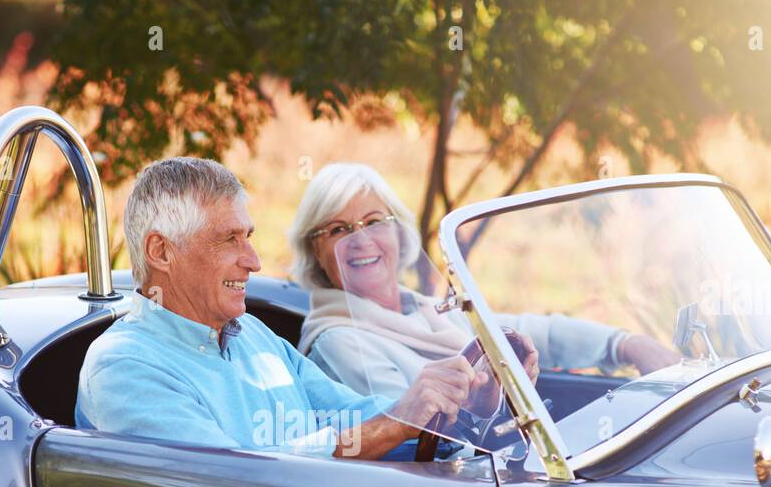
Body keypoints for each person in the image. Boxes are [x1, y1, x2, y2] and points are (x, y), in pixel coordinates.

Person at [75, 157, 488, 460]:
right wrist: (395, 424)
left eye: (248, 236)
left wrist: (450, 403)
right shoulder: (123, 368)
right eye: (228, 239)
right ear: (161, 251)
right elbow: (234, 484)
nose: (253, 261)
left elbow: (347, 414)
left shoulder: (253, 335)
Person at [288, 163, 678, 399]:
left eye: (374, 222)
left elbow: (527, 331)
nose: (361, 241)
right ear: (315, 253)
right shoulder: (340, 341)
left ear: (400, 232)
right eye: (338, 230)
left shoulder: (427, 310)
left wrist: (626, 344)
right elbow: (413, 436)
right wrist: (486, 397)